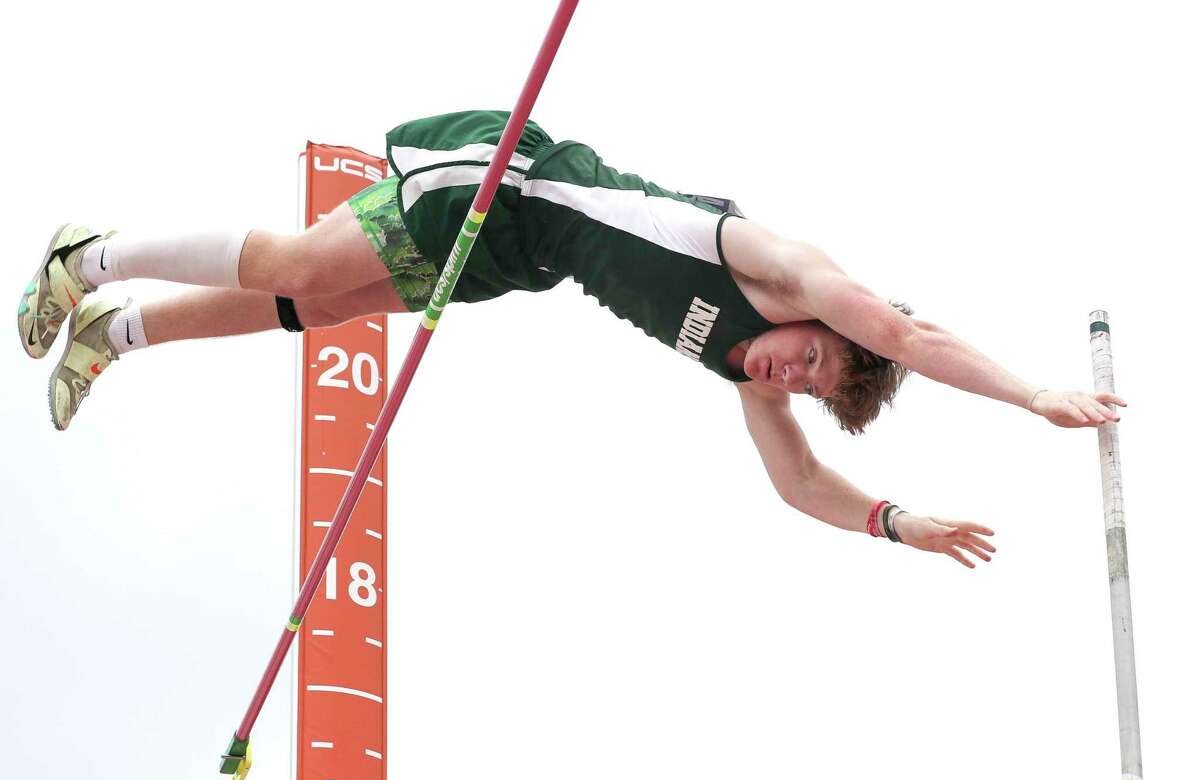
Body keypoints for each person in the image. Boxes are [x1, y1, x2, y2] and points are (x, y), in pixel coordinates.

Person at [17, 110, 1124, 567]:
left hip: (521, 261)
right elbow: (900, 329)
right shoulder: (783, 269)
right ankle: (90, 255)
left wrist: (902, 521)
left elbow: (797, 484)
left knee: (323, 308)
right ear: (823, 322)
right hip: (521, 187)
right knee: (302, 269)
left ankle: (118, 331)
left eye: (807, 378)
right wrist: (1033, 396)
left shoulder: (747, 375)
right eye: (811, 353)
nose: (789, 368)